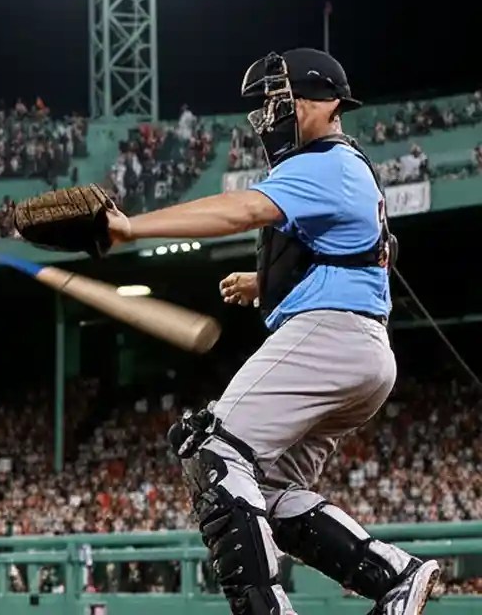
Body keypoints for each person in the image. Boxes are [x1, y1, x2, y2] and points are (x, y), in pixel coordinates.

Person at [104, 48, 439, 615]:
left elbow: (239, 210)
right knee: (268, 492)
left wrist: (132, 227)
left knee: (212, 448)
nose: (270, 114)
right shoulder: (345, 167)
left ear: (328, 102)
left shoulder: (325, 162)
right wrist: (265, 283)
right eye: (266, 105)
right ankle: (396, 577)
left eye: (282, 100)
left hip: (331, 335)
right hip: (360, 350)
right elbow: (352, 253)